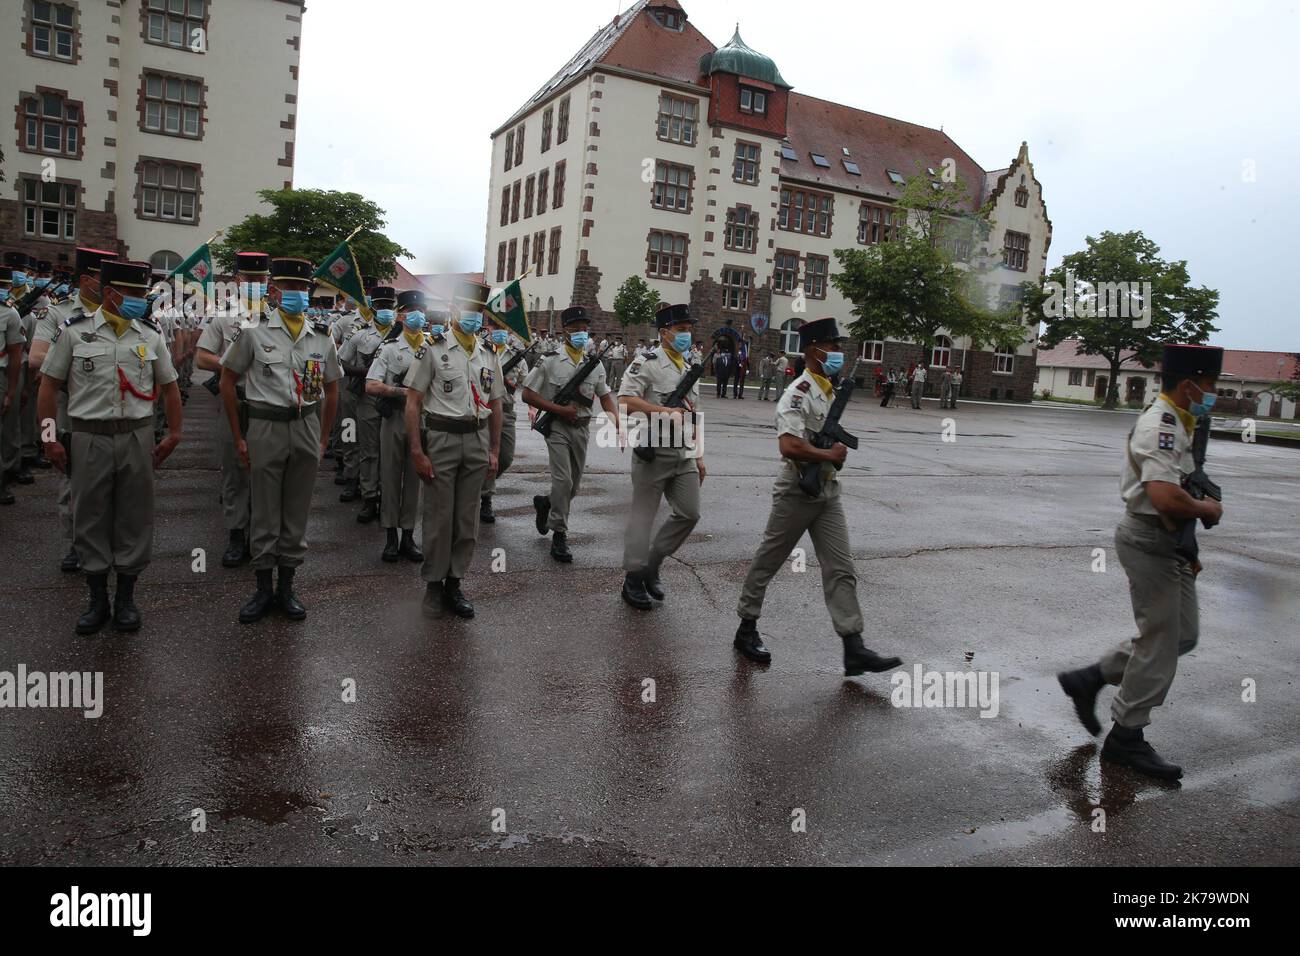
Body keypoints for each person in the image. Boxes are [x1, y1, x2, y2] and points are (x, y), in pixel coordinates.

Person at [1056, 344, 1225, 781]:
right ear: (1189, 383)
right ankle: (1126, 737)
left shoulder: (1184, 421)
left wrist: (1191, 548)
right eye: (1209, 384)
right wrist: (1207, 511)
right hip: (1148, 540)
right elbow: (1165, 496)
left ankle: (1092, 677)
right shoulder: (1161, 424)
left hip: (1171, 545)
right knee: (1162, 639)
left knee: (1181, 636)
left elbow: (1180, 487)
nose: (1213, 392)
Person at [733, 317, 902, 676]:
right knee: (769, 560)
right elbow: (789, 444)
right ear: (814, 350)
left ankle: (853, 646)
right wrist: (828, 454)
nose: (840, 353)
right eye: (834, 347)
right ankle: (746, 627)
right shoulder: (797, 391)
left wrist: (829, 455)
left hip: (827, 492)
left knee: (841, 568)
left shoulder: (828, 390)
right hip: (796, 488)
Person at [38, 259, 183, 634]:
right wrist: (49, 437)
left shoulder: (149, 335)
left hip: (136, 434)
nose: (139, 300)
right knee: (90, 514)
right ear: (109, 293)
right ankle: (97, 597)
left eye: (141, 293)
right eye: (132, 293)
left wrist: (174, 434)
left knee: (134, 515)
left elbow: (170, 387)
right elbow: (48, 386)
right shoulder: (73, 333)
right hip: (88, 436)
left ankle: (127, 597)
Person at [219, 257, 341, 624]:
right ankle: (262, 588)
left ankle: (287, 585)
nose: (298, 295)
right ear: (274, 291)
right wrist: (239, 436)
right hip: (266, 426)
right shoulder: (253, 330)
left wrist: (322, 439)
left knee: (296, 509)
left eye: (303, 289)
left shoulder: (321, 335)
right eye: (290, 288)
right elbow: (227, 380)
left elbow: (332, 390)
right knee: (266, 509)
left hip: (304, 424)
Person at [405, 297, 505, 619]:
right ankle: (433, 585)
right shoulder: (433, 347)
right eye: (467, 310)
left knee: (466, 518)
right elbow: (413, 402)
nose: (473, 317)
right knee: (439, 516)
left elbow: (497, 403)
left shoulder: (489, 353)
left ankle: (454, 582)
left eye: (478, 311)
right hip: (441, 438)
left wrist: (494, 450)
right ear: (454, 312)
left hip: (476, 438)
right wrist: (417, 451)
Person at [28, 247, 116, 563]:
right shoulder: (57, 314)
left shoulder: (118, 312)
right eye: (103, 278)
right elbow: (36, 357)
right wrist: (73, 365)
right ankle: (77, 543)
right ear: (86, 280)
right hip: (69, 403)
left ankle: (105, 538)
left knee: (113, 480)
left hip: (110, 405)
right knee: (73, 477)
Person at [618, 303, 706, 609]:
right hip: (652, 450)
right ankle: (632, 578)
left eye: (689, 329)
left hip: (683, 452)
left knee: (690, 513)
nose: (687, 335)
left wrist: (699, 454)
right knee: (643, 516)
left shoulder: (688, 365)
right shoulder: (647, 362)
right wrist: (662, 411)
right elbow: (625, 401)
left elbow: (694, 414)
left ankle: (652, 562)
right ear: (665, 333)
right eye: (681, 330)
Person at [522, 306, 618, 563]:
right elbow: (528, 394)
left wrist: (615, 420)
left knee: (573, 487)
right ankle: (559, 535)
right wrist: (559, 410)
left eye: (585, 330)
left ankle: (546, 503)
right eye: (576, 329)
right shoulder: (550, 359)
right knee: (563, 482)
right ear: (565, 331)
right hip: (557, 428)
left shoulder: (593, 365)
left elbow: (605, 394)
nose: (581, 334)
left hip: (582, 428)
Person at [195, 251, 270, 567]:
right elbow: (201, 357)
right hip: (234, 399)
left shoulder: (277, 316)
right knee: (234, 467)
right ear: (238, 281)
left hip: (268, 404)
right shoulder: (223, 315)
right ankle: (237, 535)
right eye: (250, 279)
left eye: (261, 279)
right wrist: (234, 365)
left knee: (266, 469)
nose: (256, 284)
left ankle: (261, 534)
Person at [366, 291, 427, 563]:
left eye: (421, 309)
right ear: (401, 315)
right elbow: (371, 385)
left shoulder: (434, 347)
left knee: (416, 479)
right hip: (395, 419)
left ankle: (409, 535)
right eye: (412, 309)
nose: (418, 314)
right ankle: (390, 535)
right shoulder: (389, 348)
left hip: (424, 421)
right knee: (390, 477)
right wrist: (399, 392)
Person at [340, 286, 395, 524]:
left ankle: (389, 498)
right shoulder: (359, 335)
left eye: (389, 306)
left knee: (390, 453)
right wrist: (367, 372)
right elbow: (341, 363)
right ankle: (369, 496)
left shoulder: (403, 334)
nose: (386, 310)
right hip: (368, 399)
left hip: (394, 400)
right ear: (373, 308)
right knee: (369, 451)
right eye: (381, 306)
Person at [479, 323, 530, 524]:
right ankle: (485, 497)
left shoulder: (517, 356)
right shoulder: (479, 350)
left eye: (503, 328)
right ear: (489, 328)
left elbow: (527, 384)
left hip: (506, 412)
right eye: (495, 326)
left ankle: (479, 485)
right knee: (484, 456)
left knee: (505, 457)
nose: (499, 331)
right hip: (482, 410)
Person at [0, 265, 26, 506]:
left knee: (11, 424)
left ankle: (10, 468)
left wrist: (11, 388)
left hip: (4, 373)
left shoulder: (10, 313)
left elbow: (15, 354)